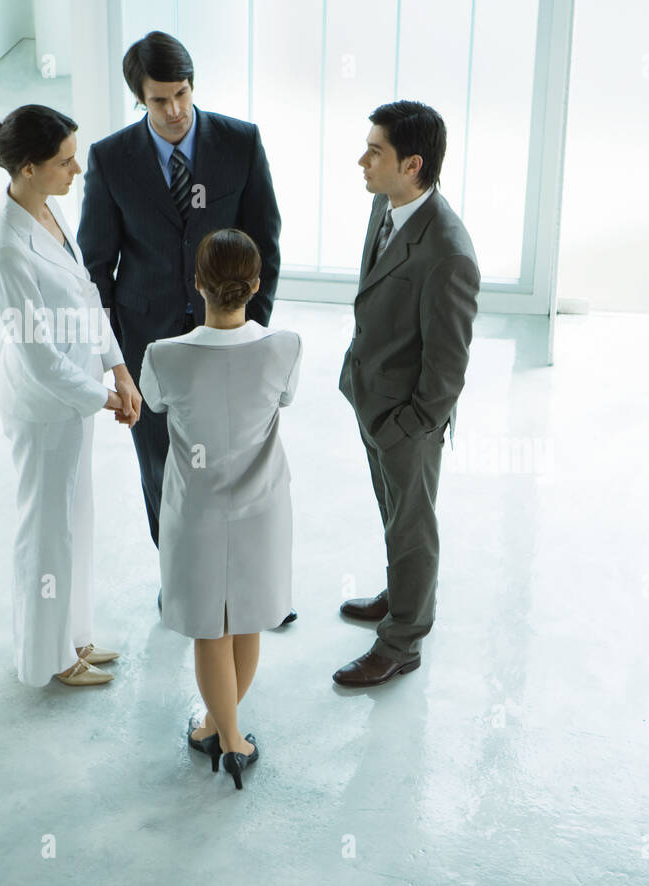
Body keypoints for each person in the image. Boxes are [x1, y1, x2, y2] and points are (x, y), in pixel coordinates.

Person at [76, 30, 294, 624]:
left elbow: (264, 245)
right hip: (152, 348)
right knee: (162, 471)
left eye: (182, 94)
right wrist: (114, 359)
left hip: (232, 339)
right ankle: (180, 578)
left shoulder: (239, 142)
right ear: (139, 100)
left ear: (193, 84)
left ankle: (253, 590)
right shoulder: (110, 158)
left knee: (244, 467)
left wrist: (251, 330)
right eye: (159, 101)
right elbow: (95, 266)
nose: (174, 111)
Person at [0, 105, 143, 687]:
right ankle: (46, 659)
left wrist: (118, 368)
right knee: (45, 531)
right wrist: (102, 396)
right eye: (65, 162)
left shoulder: (45, 208)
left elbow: (84, 288)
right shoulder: (4, 247)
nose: (78, 170)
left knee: (75, 518)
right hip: (46, 405)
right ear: (28, 167)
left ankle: (72, 636)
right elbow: (38, 355)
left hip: (77, 394)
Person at [139, 229, 301, 789]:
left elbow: (154, 405)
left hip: (197, 516)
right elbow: (281, 400)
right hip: (261, 511)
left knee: (212, 629)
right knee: (248, 619)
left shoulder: (164, 356)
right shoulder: (285, 347)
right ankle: (222, 730)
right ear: (255, 285)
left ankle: (224, 736)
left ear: (198, 283)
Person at [334, 101, 480, 686]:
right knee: (395, 514)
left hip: (406, 419)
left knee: (412, 525)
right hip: (372, 398)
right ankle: (401, 596)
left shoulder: (448, 254)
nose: (362, 160)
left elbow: (448, 368)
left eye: (376, 151)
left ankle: (402, 640)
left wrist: (408, 425)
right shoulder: (386, 204)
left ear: (413, 164)